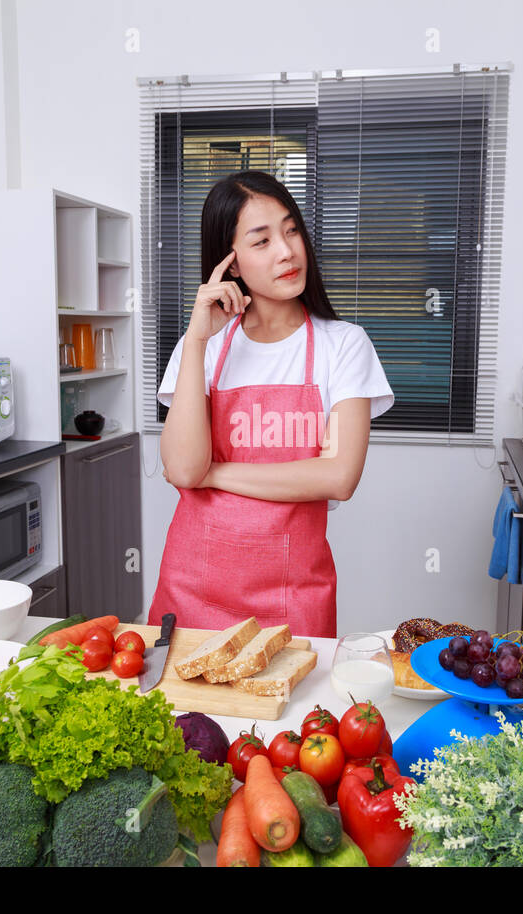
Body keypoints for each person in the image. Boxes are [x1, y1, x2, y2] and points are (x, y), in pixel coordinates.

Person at [148, 170, 394, 639]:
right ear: (232, 264)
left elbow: (338, 476)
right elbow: (182, 469)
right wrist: (198, 339)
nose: (287, 251)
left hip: (291, 600)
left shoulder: (342, 345)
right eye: (262, 242)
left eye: (291, 230)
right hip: (192, 591)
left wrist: (214, 473)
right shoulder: (200, 347)